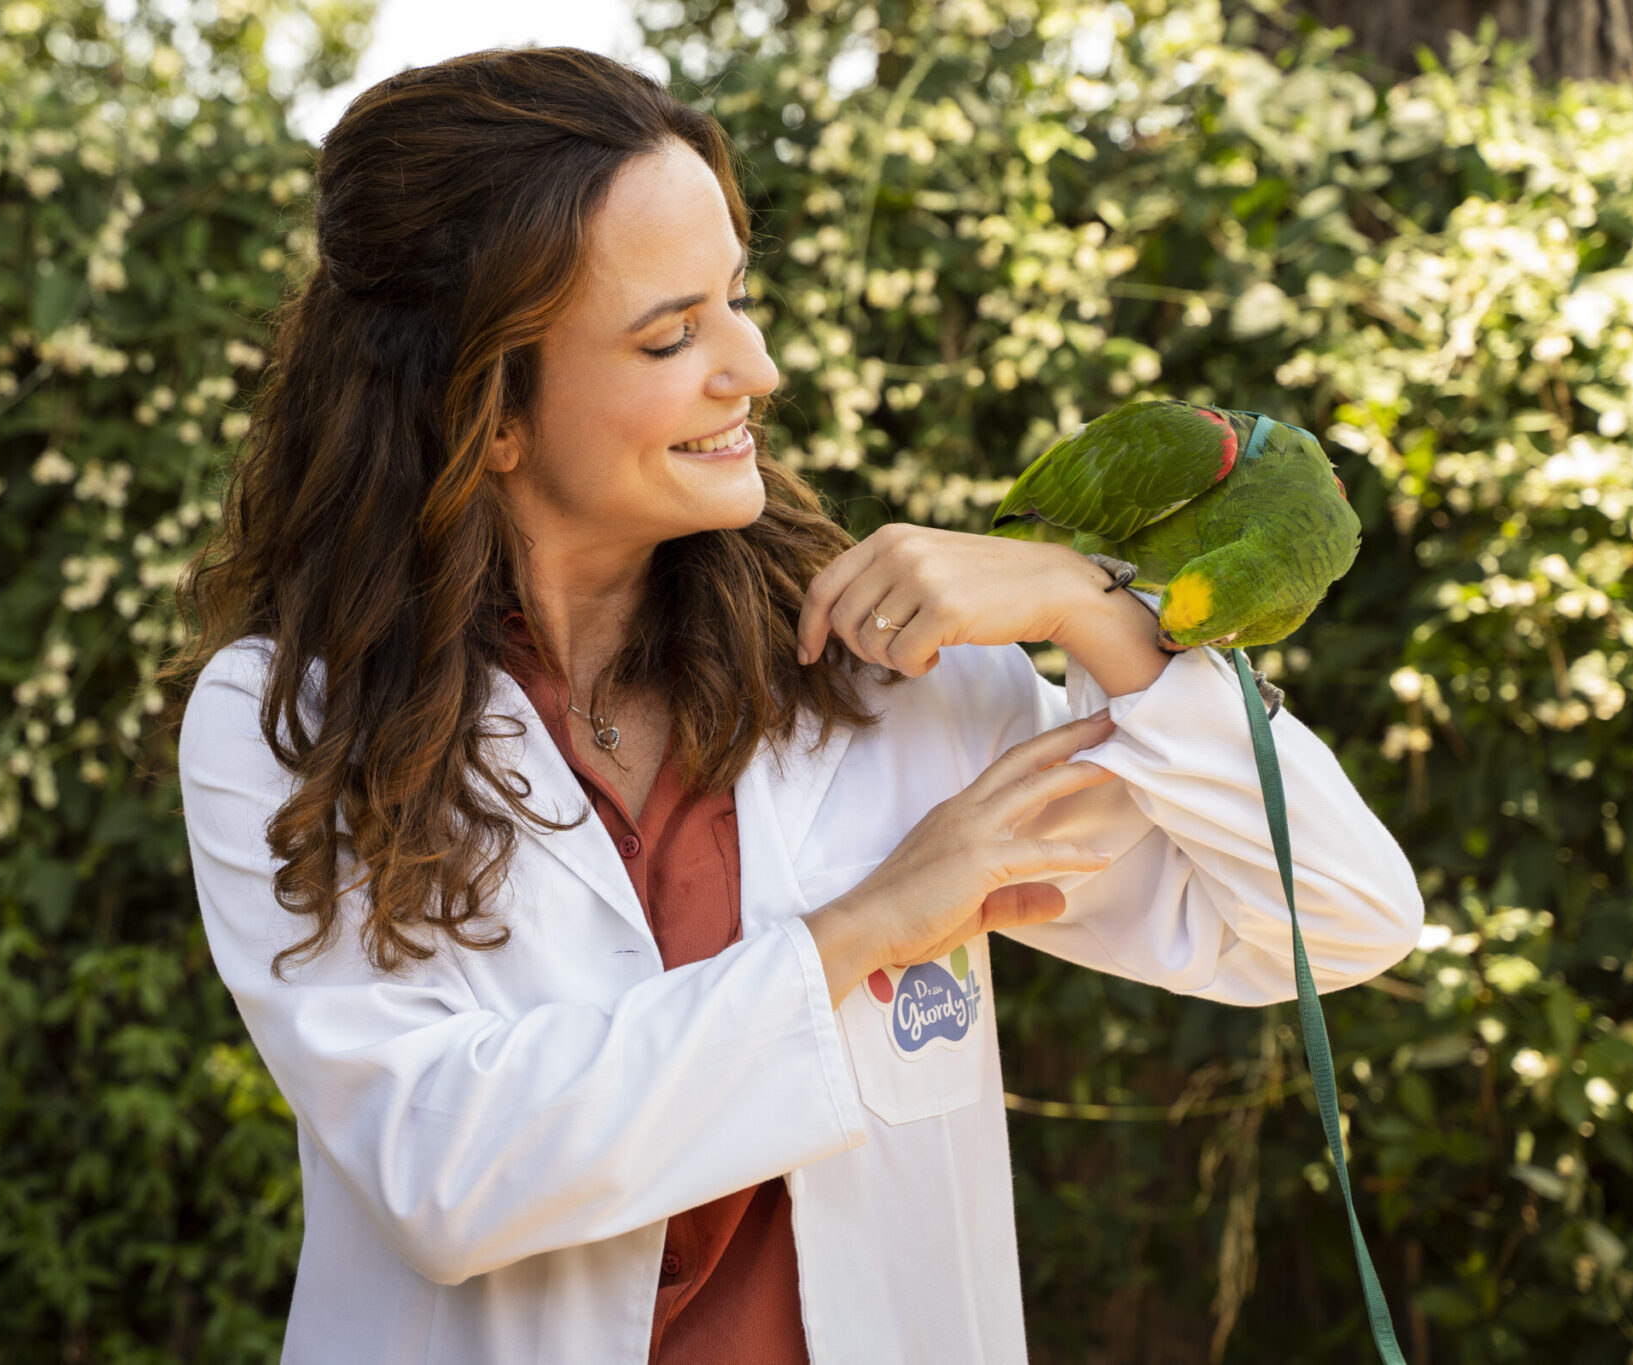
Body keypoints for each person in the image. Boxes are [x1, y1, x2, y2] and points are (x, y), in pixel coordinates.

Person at [164, 46, 1424, 1365]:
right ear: (486, 411)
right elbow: (446, 1171)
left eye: (739, 302)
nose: (753, 368)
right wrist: (869, 927)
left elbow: (1334, 920)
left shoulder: (876, 678)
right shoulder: (287, 725)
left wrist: (1099, 615)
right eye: (674, 334)